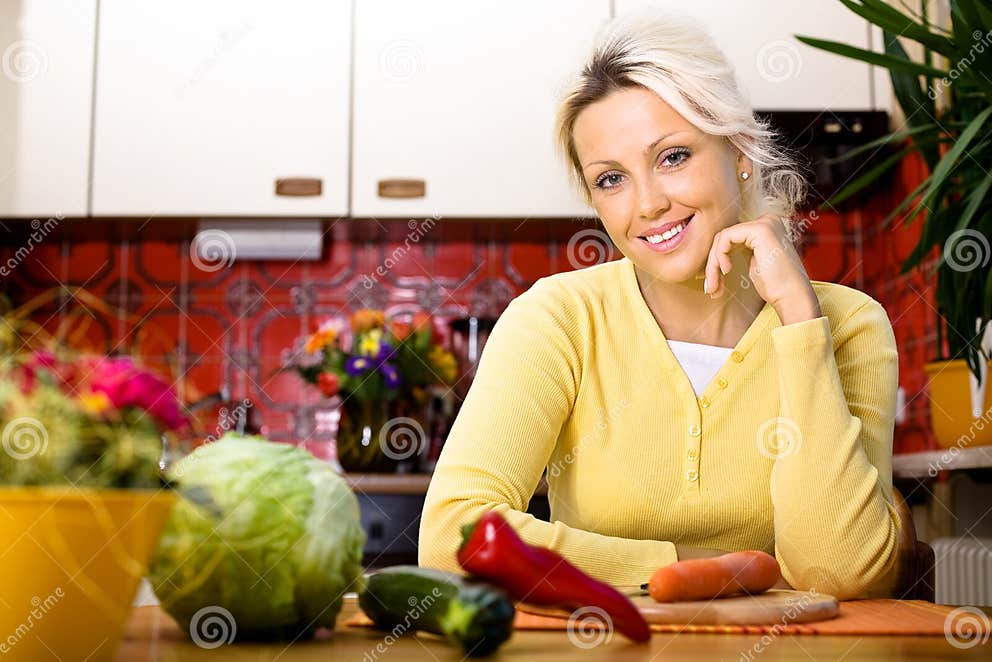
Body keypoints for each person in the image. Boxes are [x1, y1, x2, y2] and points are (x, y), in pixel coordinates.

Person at [418, 7, 902, 600]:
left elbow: (841, 575)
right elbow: (452, 537)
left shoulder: (846, 324)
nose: (646, 204)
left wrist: (802, 323)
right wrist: (700, 568)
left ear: (740, 149)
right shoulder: (560, 318)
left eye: (673, 156)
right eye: (611, 179)